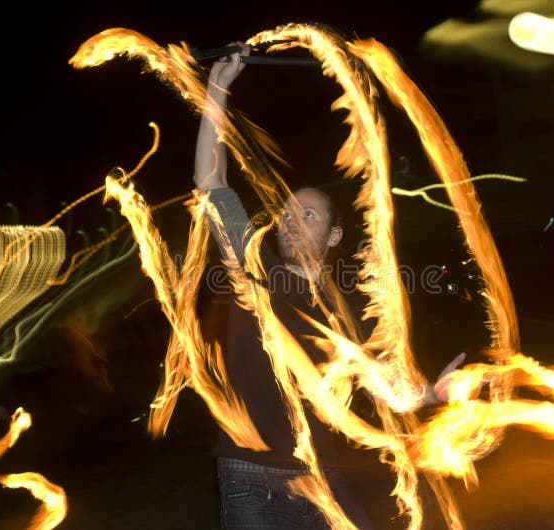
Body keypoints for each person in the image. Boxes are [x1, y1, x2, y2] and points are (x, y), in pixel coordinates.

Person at [192, 43, 458, 529]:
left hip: (322, 476)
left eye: (308, 215)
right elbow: (211, 184)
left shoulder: (351, 305)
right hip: (249, 473)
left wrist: (429, 395)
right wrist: (217, 90)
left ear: (333, 236)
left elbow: (380, 381)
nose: (291, 222)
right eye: (287, 214)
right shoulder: (257, 271)